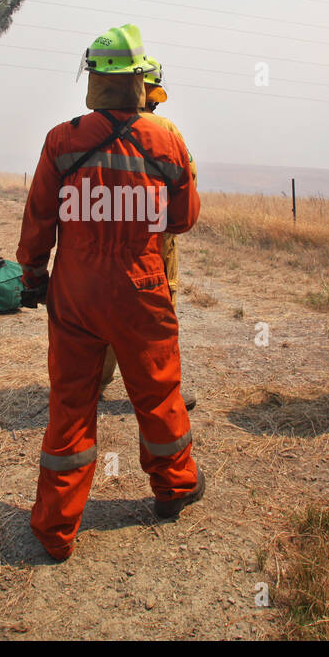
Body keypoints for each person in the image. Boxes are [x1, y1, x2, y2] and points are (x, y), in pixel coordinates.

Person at [17, 23, 203, 562]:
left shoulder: (62, 138)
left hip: (74, 289)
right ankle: (174, 489)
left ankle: (56, 530)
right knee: (158, 392)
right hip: (140, 286)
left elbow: (39, 218)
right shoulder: (167, 138)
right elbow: (183, 220)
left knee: (71, 404)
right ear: (140, 78)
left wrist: (33, 275)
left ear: (94, 77)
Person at [98, 63, 198, 411]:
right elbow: (187, 179)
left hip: (108, 239)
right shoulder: (164, 129)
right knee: (157, 319)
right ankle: (163, 392)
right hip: (154, 243)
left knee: (108, 311)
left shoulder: (97, 126)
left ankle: (94, 384)